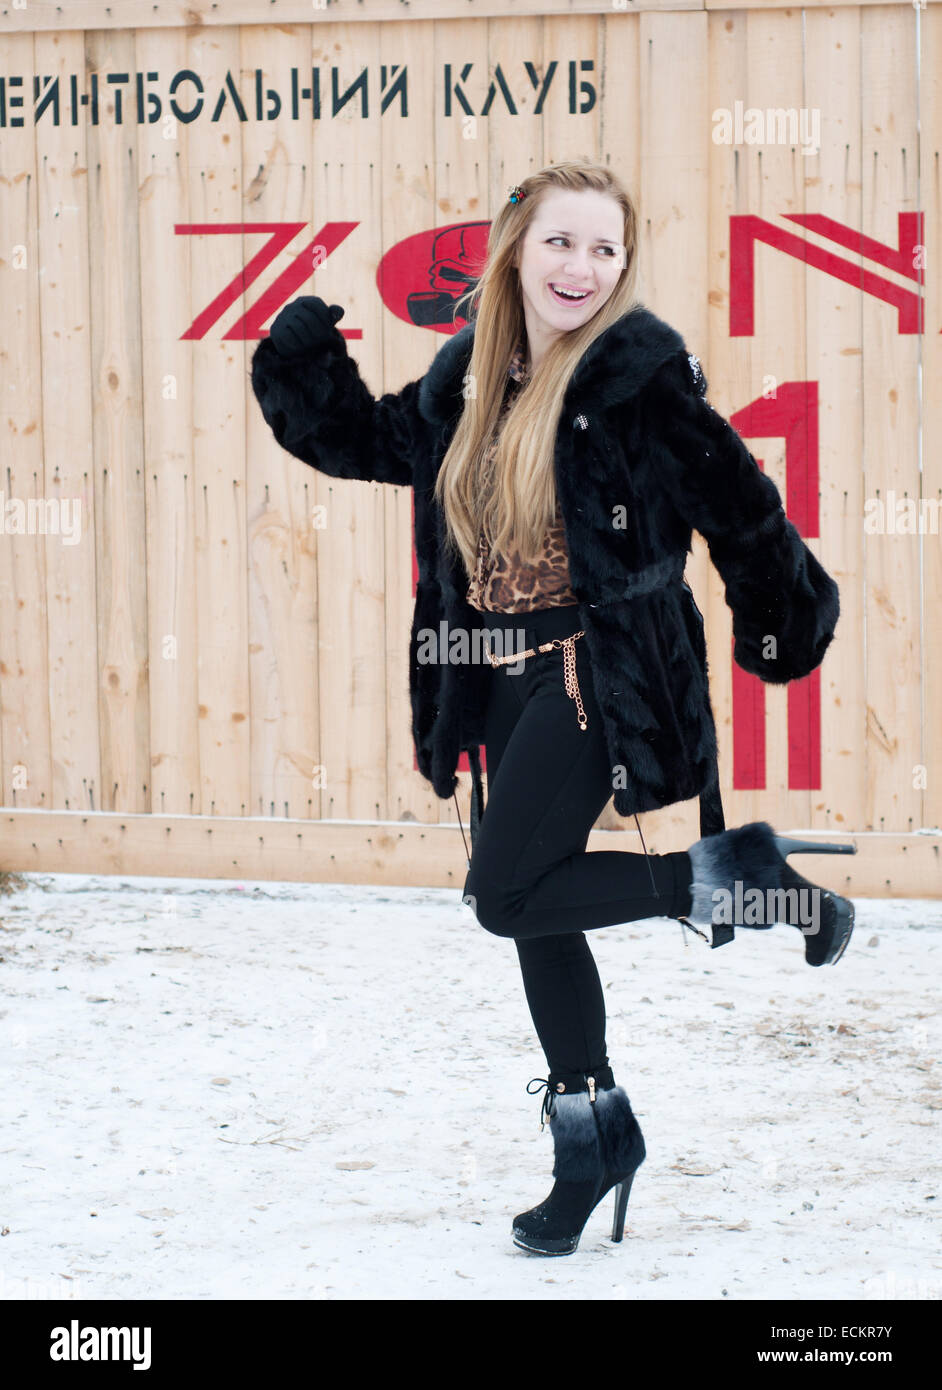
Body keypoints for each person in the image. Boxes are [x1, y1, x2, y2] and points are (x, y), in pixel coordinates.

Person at [250, 159, 854, 1258]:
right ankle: (592, 1137)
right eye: (561, 243)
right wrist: (302, 363)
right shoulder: (468, 381)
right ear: (516, 250)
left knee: (505, 895)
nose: (582, 267)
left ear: (624, 266)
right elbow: (368, 444)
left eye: (605, 249)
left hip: (602, 672)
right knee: (541, 908)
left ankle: (741, 880)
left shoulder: (641, 383)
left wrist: (785, 616)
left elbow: (741, 508)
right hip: (500, 674)